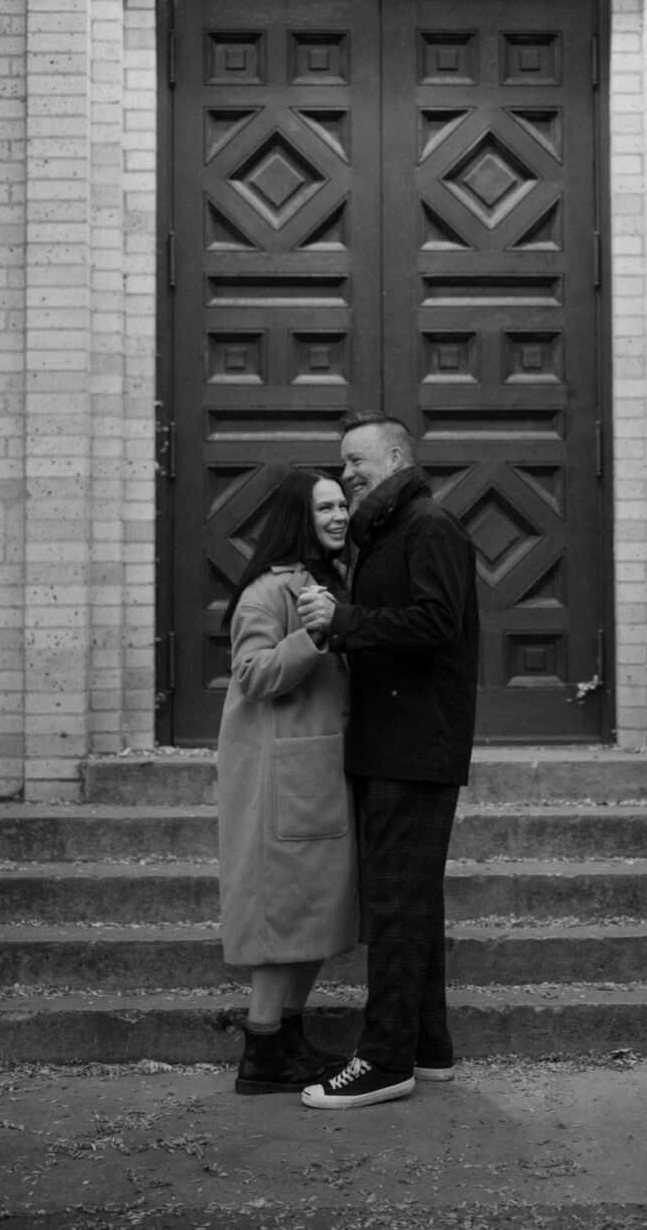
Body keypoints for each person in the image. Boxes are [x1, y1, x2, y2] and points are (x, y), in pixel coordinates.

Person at [297, 411, 480, 1111]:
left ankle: (383, 1059)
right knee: (412, 901)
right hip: (395, 744)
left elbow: (439, 622)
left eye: (357, 459)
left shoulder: (429, 526)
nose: (346, 472)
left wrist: (344, 622)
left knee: (397, 904)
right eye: (342, 461)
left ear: (398, 455)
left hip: (416, 748)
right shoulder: (389, 531)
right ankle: (427, 1047)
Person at [216, 467, 357, 1095]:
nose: (339, 515)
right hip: (284, 778)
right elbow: (252, 674)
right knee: (284, 916)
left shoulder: (327, 580)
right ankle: (262, 1049)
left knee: (315, 913)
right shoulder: (267, 592)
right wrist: (316, 635)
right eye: (324, 506)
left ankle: (289, 1039)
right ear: (299, 516)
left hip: (319, 771)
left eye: (343, 505)